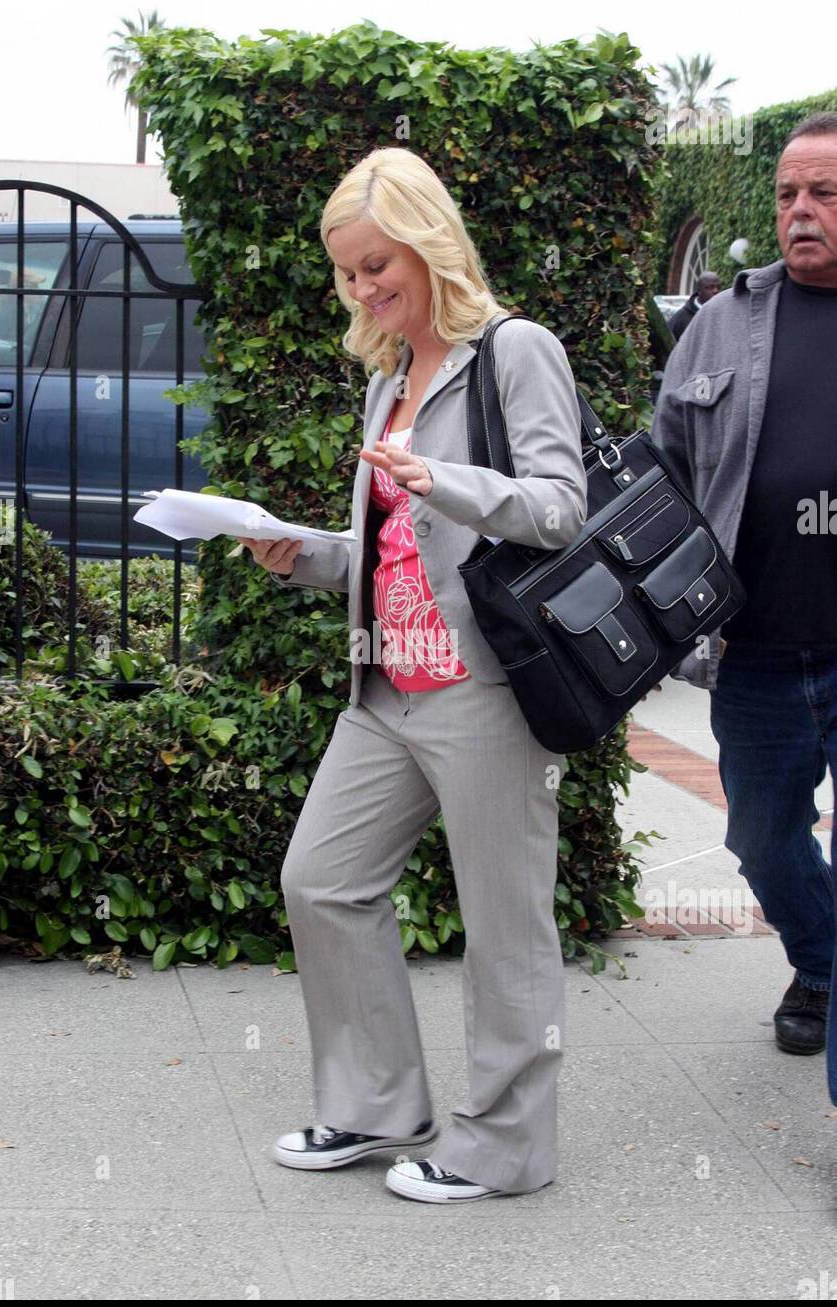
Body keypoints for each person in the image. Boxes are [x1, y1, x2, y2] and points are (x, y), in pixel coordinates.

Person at [237, 146, 587, 1202]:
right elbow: (390, 551)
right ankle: (373, 1105)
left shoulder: (513, 351)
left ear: (430, 242)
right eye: (346, 272)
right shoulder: (387, 376)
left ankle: (503, 1147)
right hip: (385, 687)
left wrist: (444, 477)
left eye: (376, 264)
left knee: (504, 923)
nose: (363, 289)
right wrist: (301, 555)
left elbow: (557, 508)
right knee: (321, 879)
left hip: (484, 684)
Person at [652, 112, 837, 1105]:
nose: (797, 211)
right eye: (784, 194)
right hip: (756, 649)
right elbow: (663, 469)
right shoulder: (721, 321)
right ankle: (818, 959)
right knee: (760, 839)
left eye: (822, 194)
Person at [668, 270, 720, 340]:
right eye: (710, 287)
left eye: (718, 287)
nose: (715, 291)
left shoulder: (724, 315)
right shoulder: (681, 319)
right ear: (699, 290)